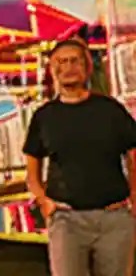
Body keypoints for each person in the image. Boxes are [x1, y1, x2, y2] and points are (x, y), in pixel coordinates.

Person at [24, 38, 136, 276]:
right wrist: (44, 202)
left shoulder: (110, 110)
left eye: (74, 60)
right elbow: (32, 170)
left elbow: (133, 154)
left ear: (86, 67)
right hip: (66, 220)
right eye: (61, 62)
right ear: (53, 70)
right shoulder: (44, 117)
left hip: (113, 219)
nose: (68, 67)